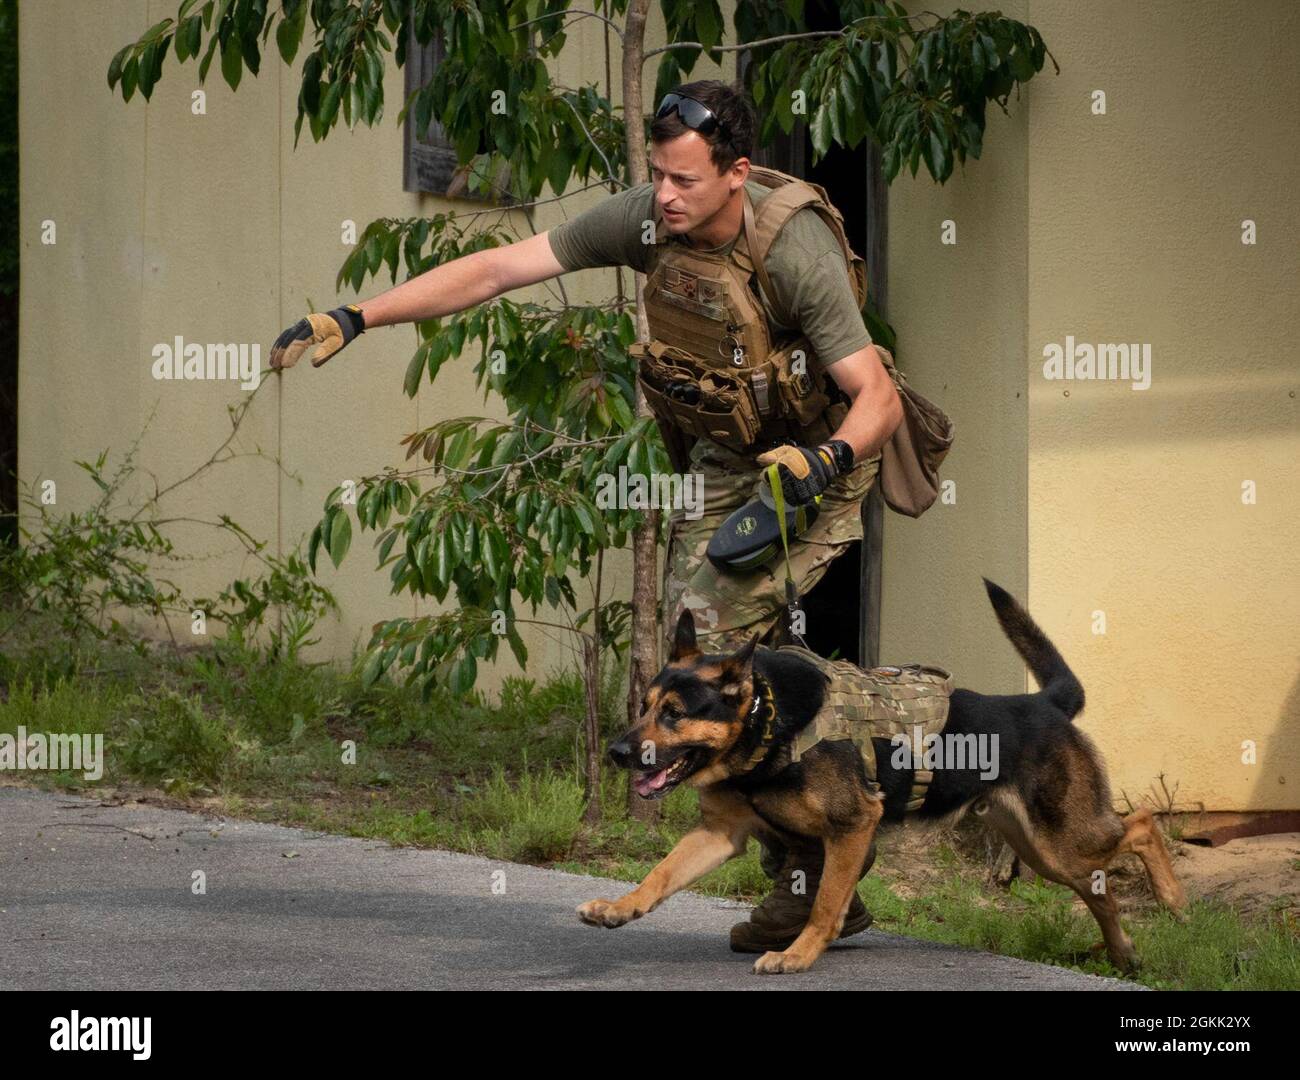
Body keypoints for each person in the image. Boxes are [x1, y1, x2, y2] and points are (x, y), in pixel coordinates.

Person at [269, 78, 904, 954]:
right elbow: (499, 268)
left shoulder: (795, 249)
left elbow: (877, 398)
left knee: (718, 639)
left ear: (737, 173)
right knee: (704, 643)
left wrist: (823, 461)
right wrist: (358, 314)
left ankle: (815, 868)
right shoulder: (648, 218)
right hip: (731, 458)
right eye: (658, 174)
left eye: (684, 180)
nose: (664, 195)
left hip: (823, 456)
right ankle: (814, 856)